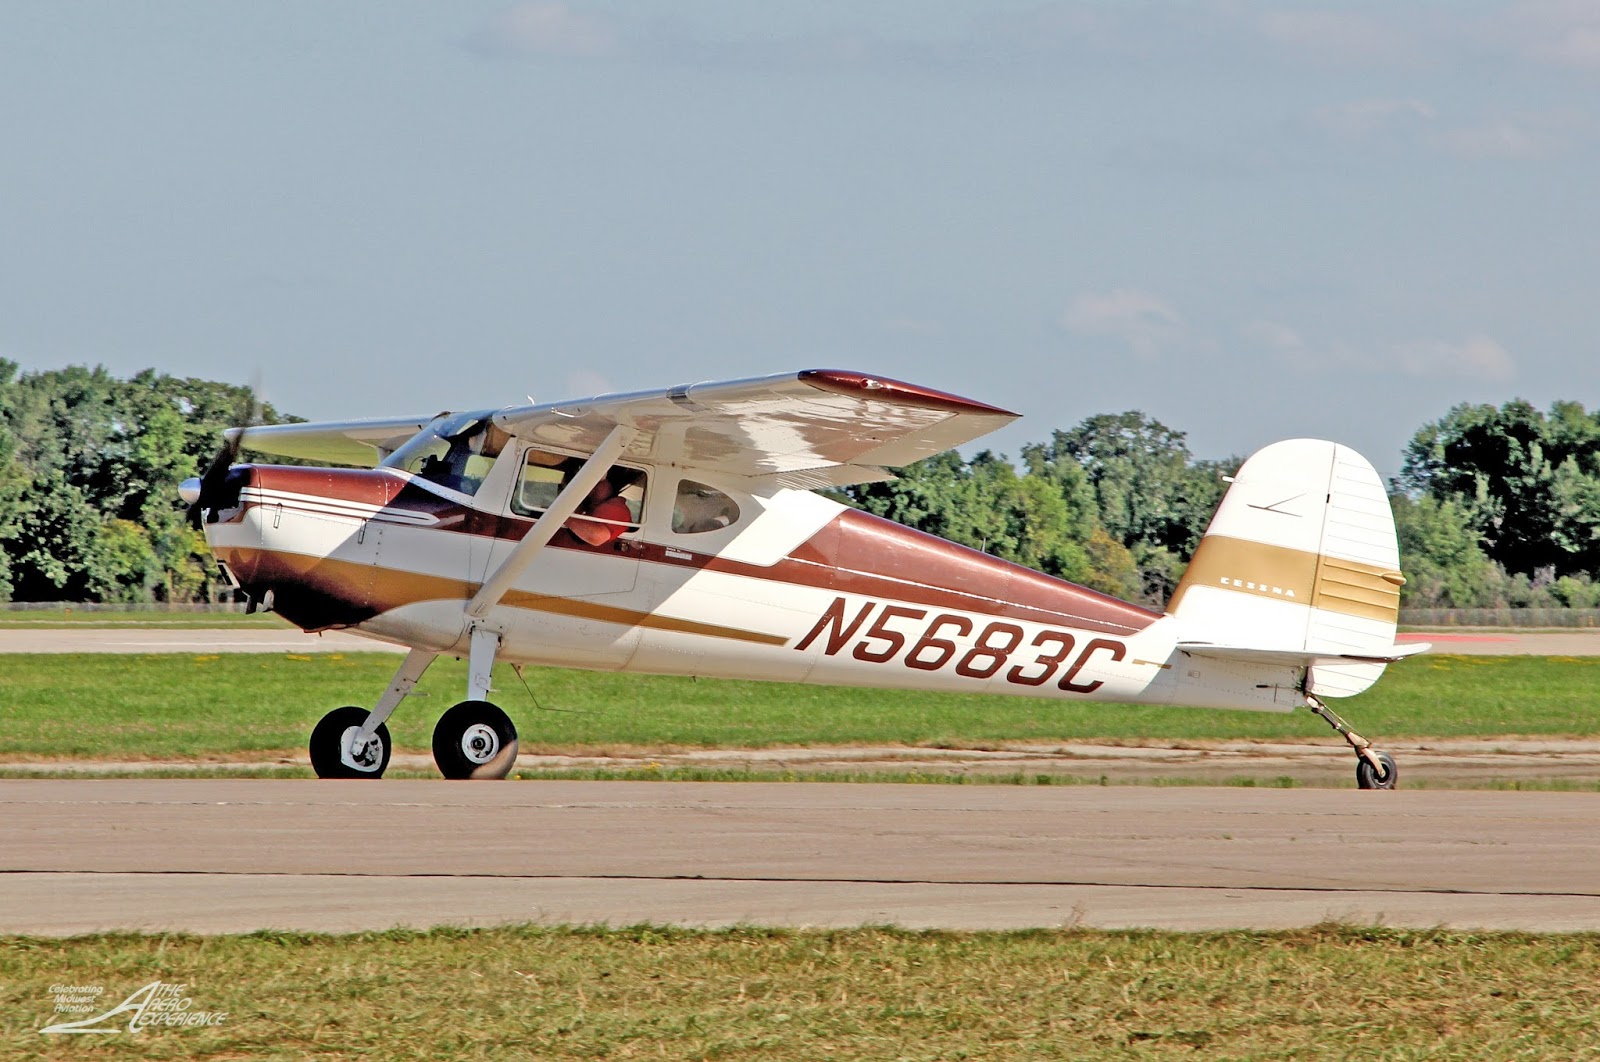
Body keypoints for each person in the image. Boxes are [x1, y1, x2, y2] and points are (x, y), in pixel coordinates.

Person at [566, 478, 633, 546]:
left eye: (599, 482)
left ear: (611, 485)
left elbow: (597, 536)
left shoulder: (617, 508)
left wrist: (562, 516)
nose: (593, 486)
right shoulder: (594, 506)